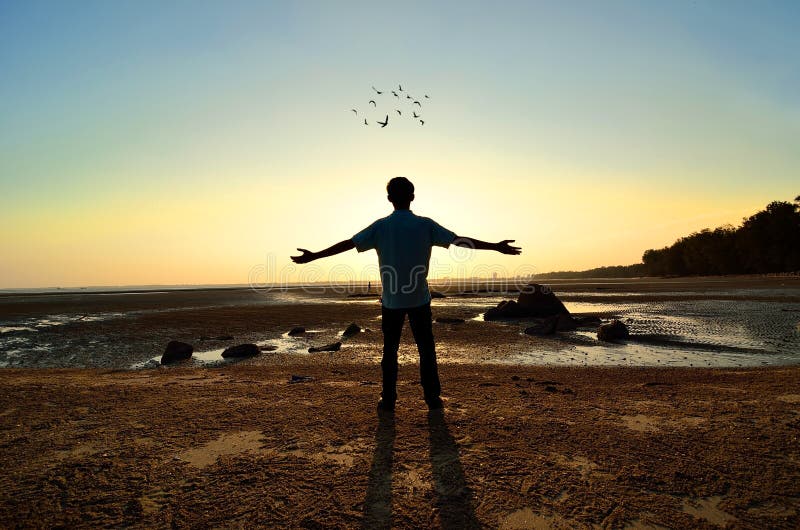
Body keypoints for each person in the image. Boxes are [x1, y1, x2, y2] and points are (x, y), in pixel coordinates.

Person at [291, 177, 521, 414]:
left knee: (390, 352)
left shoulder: (381, 226)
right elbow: (460, 241)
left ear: (390, 199)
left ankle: (388, 400)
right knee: (426, 351)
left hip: (391, 301)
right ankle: (432, 399)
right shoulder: (425, 225)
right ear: (412, 196)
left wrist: (315, 256)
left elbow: (348, 244)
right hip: (419, 299)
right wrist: (495, 246)